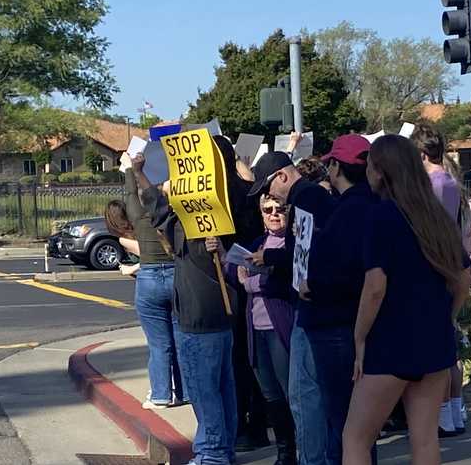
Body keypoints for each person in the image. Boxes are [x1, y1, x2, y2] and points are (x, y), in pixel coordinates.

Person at [133, 135, 263, 465]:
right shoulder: (225, 211)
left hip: (199, 317)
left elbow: (159, 211)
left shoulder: (200, 225)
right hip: (219, 315)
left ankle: (212, 453)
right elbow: (161, 212)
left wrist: (140, 176)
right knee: (223, 387)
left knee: (206, 391)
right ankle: (223, 449)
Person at [342, 135, 470, 465]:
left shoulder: (381, 216)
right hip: (434, 340)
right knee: (425, 440)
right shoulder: (437, 217)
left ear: (380, 170)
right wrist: (449, 315)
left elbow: (375, 286)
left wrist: (359, 337)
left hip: (390, 342)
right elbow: (463, 278)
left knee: (355, 439)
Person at [264, 136, 378, 465]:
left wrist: (312, 283)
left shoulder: (341, 207)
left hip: (333, 318)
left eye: (330, 164)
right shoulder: (367, 205)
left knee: (339, 413)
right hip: (342, 318)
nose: (271, 199)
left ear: (337, 166)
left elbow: (356, 271)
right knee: (342, 414)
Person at [227, 195, 298, 465]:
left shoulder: (291, 245)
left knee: (290, 392)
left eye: (280, 209)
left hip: (280, 327)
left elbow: (284, 284)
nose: (274, 214)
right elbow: (235, 269)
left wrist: (255, 280)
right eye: (267, 210)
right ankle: (285, 452)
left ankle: (302, 447)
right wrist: (231, 265)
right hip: (256, 329)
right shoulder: (258, 243)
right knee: (270, 393)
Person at [109, 154, 182, 411]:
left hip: (150, 277)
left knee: (159, 342)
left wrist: (130, 170)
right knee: (179, 337)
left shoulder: (139, 218)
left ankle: (161, 393)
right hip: (176, 274)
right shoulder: (173, 216)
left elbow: (130, 195)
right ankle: (182, 390)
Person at [409, 124, 466, 436]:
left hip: (434, 265)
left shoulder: (430, 184)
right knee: (449, 344)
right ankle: (454, 411)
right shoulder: (451, 181)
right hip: (451, 262)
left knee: (438, 348)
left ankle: (443, 415)